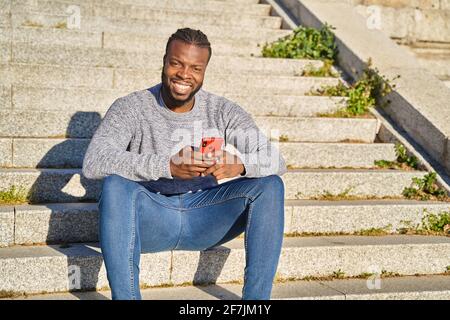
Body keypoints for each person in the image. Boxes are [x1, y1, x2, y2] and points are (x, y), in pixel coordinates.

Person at [82, 28, 287, 300]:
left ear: (204, 72)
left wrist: (240, 164)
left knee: (270, 185)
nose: (184, 74)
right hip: (151, 215)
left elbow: (275, 159)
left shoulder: (222, 110)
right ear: (165, 61)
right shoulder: (131, 106)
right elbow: (94, 161)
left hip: (206, 217)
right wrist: (167, 166)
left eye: (195, 68)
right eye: (176, 63)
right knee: (115, 186)